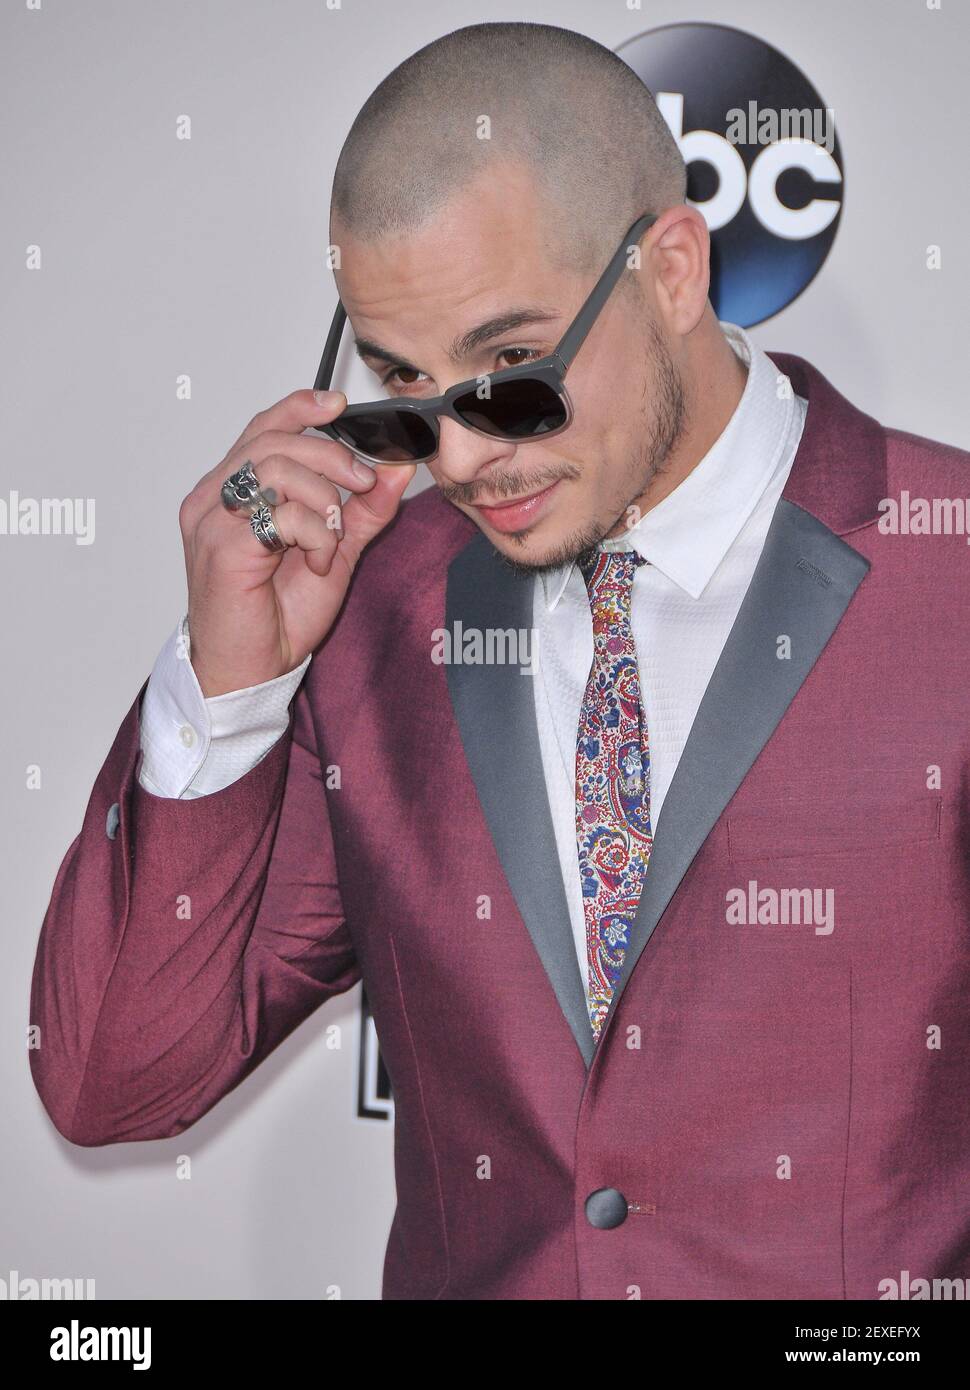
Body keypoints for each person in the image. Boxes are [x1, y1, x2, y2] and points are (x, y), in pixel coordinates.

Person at [29, 21, 970, 1300]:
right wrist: (230, 681)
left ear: (673, 271)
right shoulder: (374, 613)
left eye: (511, 376)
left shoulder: (948, 575)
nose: (463, 462)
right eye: (404, 394)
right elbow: (113, 1076)